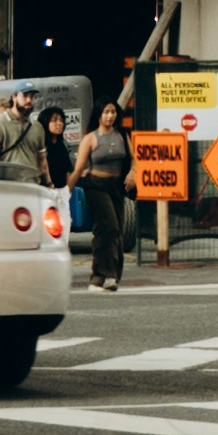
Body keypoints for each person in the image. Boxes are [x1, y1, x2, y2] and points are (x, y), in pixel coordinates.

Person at [69, 99, 136, 291]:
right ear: (99, 114)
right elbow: (79, 167)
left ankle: (104, 277)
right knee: (110, 225)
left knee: (112, 231)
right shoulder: (90, 138)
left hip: (117, 185)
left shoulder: (122, 135)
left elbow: (133, 160)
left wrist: (133, 173)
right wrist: (67, 191)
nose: (110, 116)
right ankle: (104, 275)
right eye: (106, 112)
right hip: (96, 186)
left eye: (113, 112)